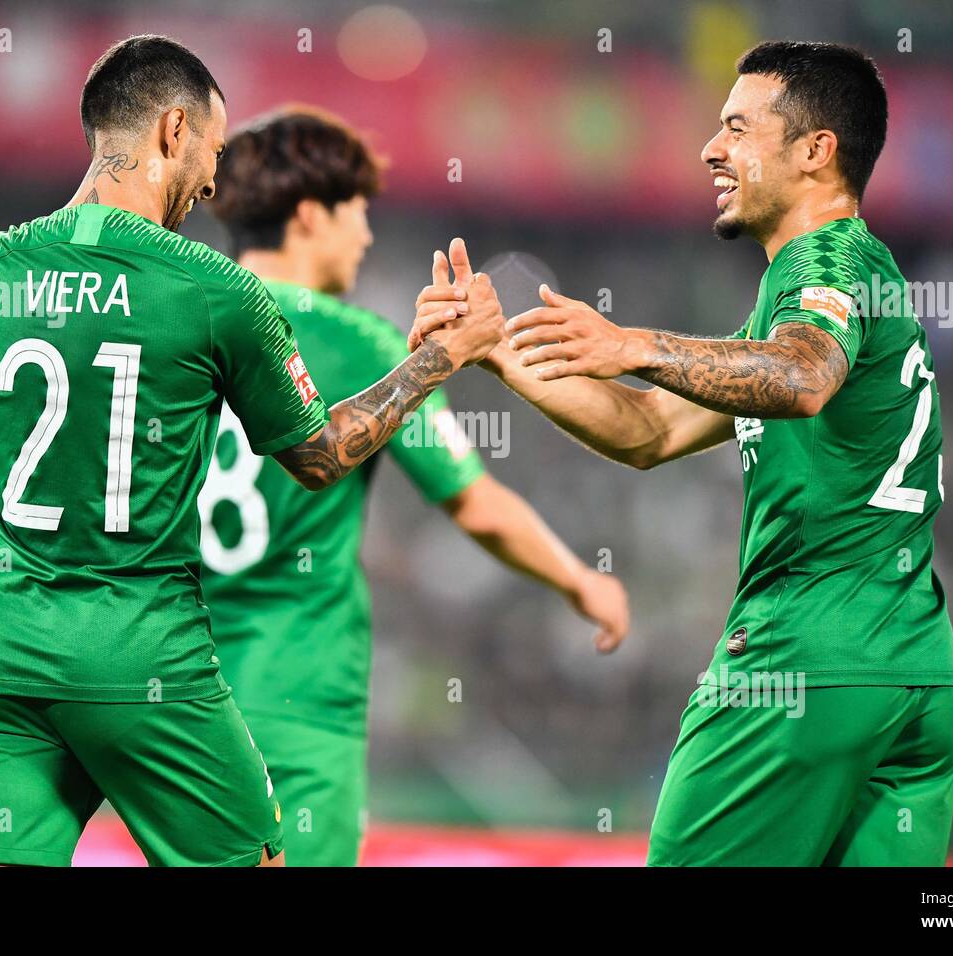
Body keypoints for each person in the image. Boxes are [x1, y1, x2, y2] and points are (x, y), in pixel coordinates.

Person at [0, 35, 501, 867]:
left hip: (1, 664)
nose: (213, 181)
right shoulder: (214, 291)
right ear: (174, 130)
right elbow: (318, 459)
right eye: (211, 149)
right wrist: (433, 362)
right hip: (148, 670)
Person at [412, 41, 953, 866]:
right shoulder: (836, 286)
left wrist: (632, 341)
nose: (712, 148)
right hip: (917, 675)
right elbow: (652, 431)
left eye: (738, 128)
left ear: (817, 151)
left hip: (804, 660)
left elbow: (803, 377)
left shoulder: (827, 261)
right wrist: (498, 353)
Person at [199, 106, 630, 865]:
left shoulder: (180, 326)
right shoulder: (360, 341)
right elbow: (475, 504)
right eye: (357, 212)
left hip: (172, 695)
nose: (366, 235)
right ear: (309, 216)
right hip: (299, 695)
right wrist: (578, 580)